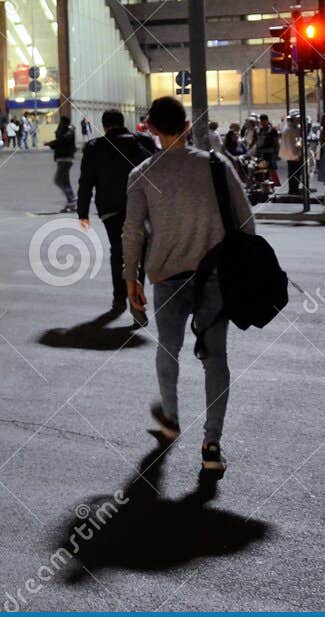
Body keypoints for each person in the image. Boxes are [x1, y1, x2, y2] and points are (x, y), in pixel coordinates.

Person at [122, 96, 254, 478]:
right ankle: (212, 445)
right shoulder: (216, 165)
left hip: (166, 276)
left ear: (150, 128)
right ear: (187, 125)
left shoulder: (142, 174)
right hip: (214, 277)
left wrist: (131, 277)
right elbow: (247, 225)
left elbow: (132, 232)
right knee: (216, 358)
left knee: (169, 348)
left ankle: (171, 419)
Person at [77, 109, 157, 320]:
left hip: (110, 209)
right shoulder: (143, 142)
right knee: (139, 250)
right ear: (123, 123)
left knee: (118, 250)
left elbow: (86, 181)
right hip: (141, 206)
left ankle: (119, 298)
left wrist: (82, 212)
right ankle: (136, 300)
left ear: (104, 126)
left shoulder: (94, 147)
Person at [46, 115, 78, 211]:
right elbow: (60, 142)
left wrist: (51, 143)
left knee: (58, 180)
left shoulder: (68, 132)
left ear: (64, 123)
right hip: (63, 159)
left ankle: (72, 199)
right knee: (64, 182)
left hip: (65, 159)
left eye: (61, 122)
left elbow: (61, 142)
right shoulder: (66, 131)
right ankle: (71, 202)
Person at [280, 113, 304, 197]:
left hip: (290, 155)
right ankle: (294, 189)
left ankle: (292, 189)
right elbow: (296, 143)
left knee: (291, 172)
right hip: (294, 154)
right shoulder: (294, 130)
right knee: (295, 172)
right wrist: (297, 154)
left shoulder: (288, 129)